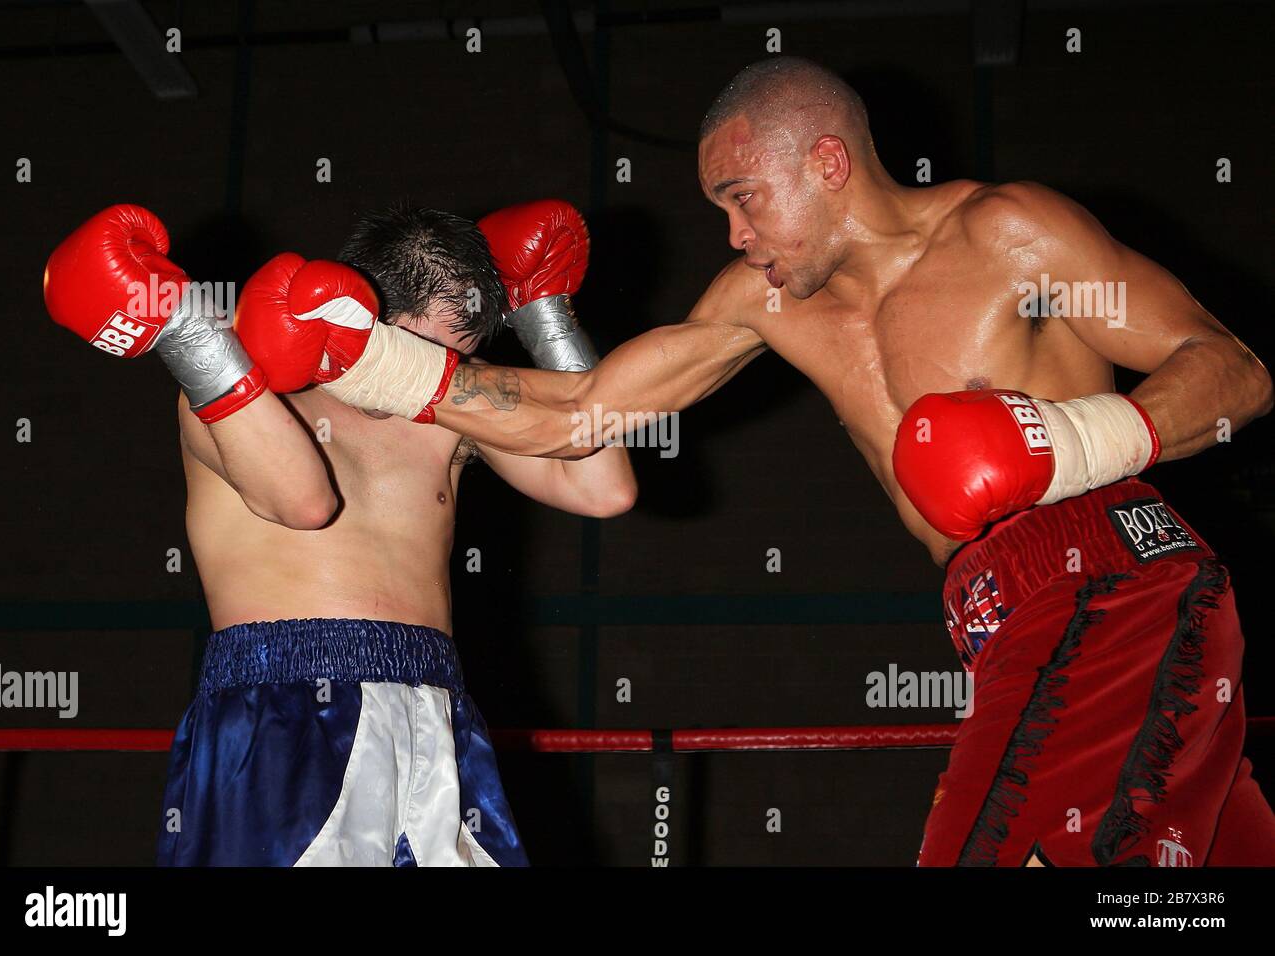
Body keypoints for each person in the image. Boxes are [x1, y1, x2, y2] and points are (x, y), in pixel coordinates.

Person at [252, 57, 1275, 866]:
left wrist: (1072, 438)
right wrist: (372, 358)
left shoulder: (1008, 232)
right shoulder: (764, 302)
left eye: (743, 197)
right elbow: (587, 411)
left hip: (1106, 573)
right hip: (996, 610)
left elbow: (1232, 370)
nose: (734, 233)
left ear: (827, 164)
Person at [43, 199, 634, 866]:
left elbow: (602, 486)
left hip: (437, 708)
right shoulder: (242, 385)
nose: (436, 376)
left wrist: (543, 315)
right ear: (365, 308)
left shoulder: (448, 409)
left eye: (459, 358)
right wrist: (191, 337)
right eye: (428, 349)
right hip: (285, 702)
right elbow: (302, 500)